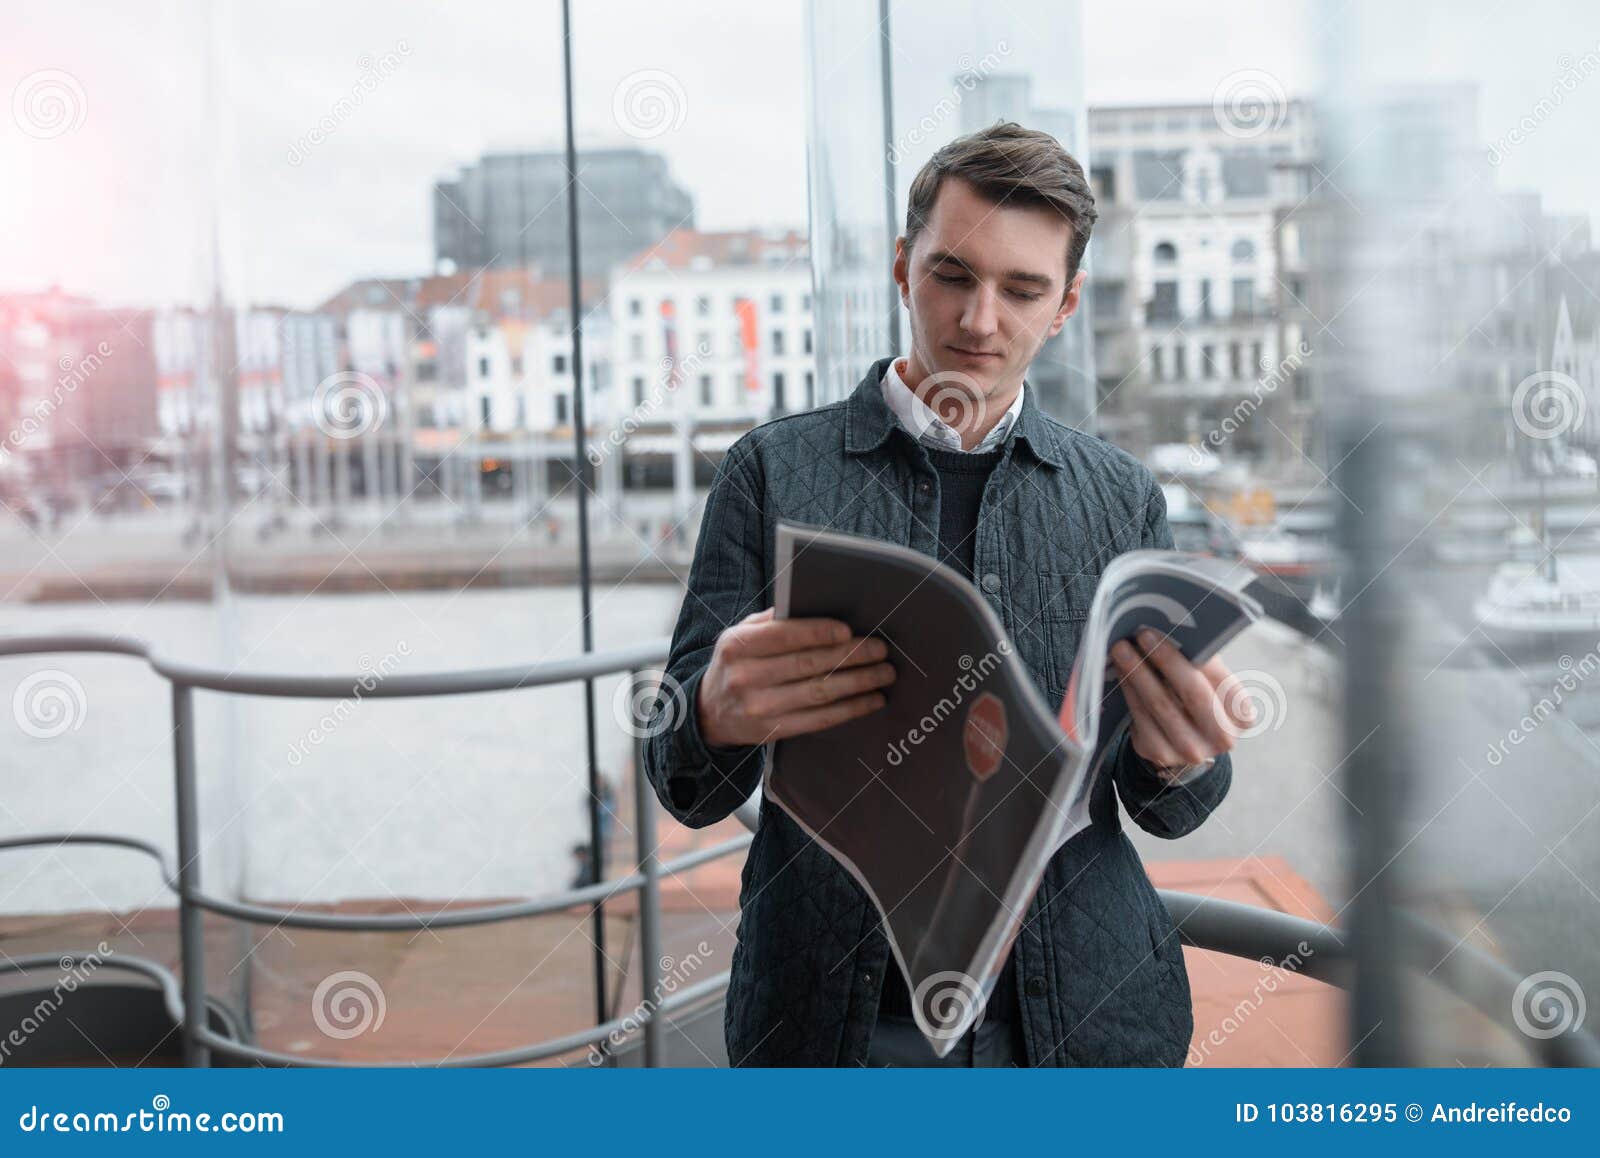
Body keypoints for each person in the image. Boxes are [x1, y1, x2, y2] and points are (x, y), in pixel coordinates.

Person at [642, 122, 1257, 1067]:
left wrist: (1183, 761)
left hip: (1083, 1026)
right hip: (833, 1026)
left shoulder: (1122, 497)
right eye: (953, 275)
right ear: (902, 266)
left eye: (1022, 290)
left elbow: (1170, 808)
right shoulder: (770, 472)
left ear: (1065, 305)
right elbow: (685, 782)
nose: (979, 321)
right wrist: (713, 714)